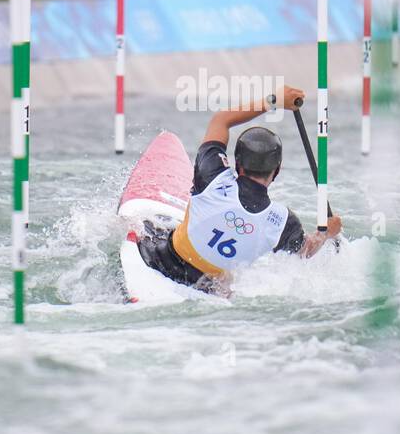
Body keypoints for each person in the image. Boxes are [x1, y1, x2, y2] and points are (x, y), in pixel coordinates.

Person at [136, 86, 343, 292]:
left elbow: (221, 120)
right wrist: (325, 233)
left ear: (237, 163)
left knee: (144, 226)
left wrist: (275, 101)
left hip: (160, 262)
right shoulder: (283, 222)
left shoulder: (212, 175)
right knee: (225, 282)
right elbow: (303, 252)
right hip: (206, 290)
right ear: (277, 171)